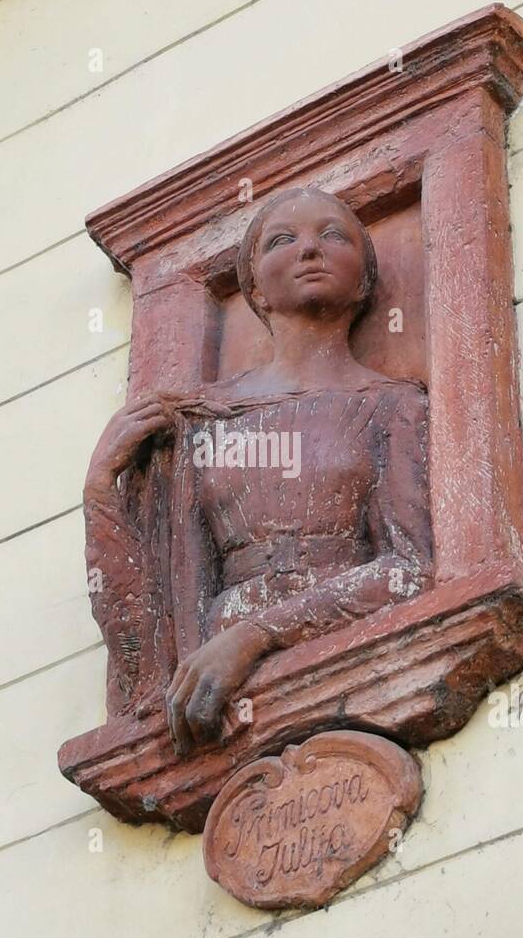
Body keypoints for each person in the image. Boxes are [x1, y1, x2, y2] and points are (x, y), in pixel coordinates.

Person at [84, 188, 432, 755]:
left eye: (334, 235)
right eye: (283, 240)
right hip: (212, 682)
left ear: (365, 280)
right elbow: (148, 630)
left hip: (335, 650)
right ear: (255, 290)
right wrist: (101, 489)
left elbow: (408, 571)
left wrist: (255, 636)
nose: (310, 250)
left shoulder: (395, 406)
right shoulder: (200, 424)